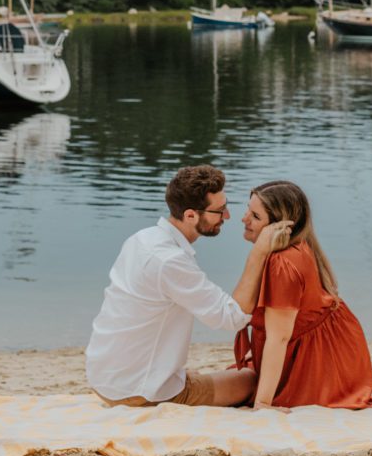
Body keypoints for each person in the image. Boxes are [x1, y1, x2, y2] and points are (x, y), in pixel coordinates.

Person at [86, 165, 291, 407]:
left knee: (205, 374)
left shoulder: (142, 238)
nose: (227, 216)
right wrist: (259, 252)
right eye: (220, 210)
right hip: (138, 392)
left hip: (103, 378)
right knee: (249, 380)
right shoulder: (170, 261)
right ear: (191, 215)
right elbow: (232, 318)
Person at [233, 180, 372, 409]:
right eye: (248, 210)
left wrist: (263, 403)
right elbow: (239, 309)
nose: (244, 219)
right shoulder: (284, 251)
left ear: (278, 226)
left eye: (255, 216)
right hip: (315, 353)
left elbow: (279, 338)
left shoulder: (283, 264)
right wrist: (258, 252)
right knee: (227, 384)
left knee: (229, 388)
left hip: (316, 366)